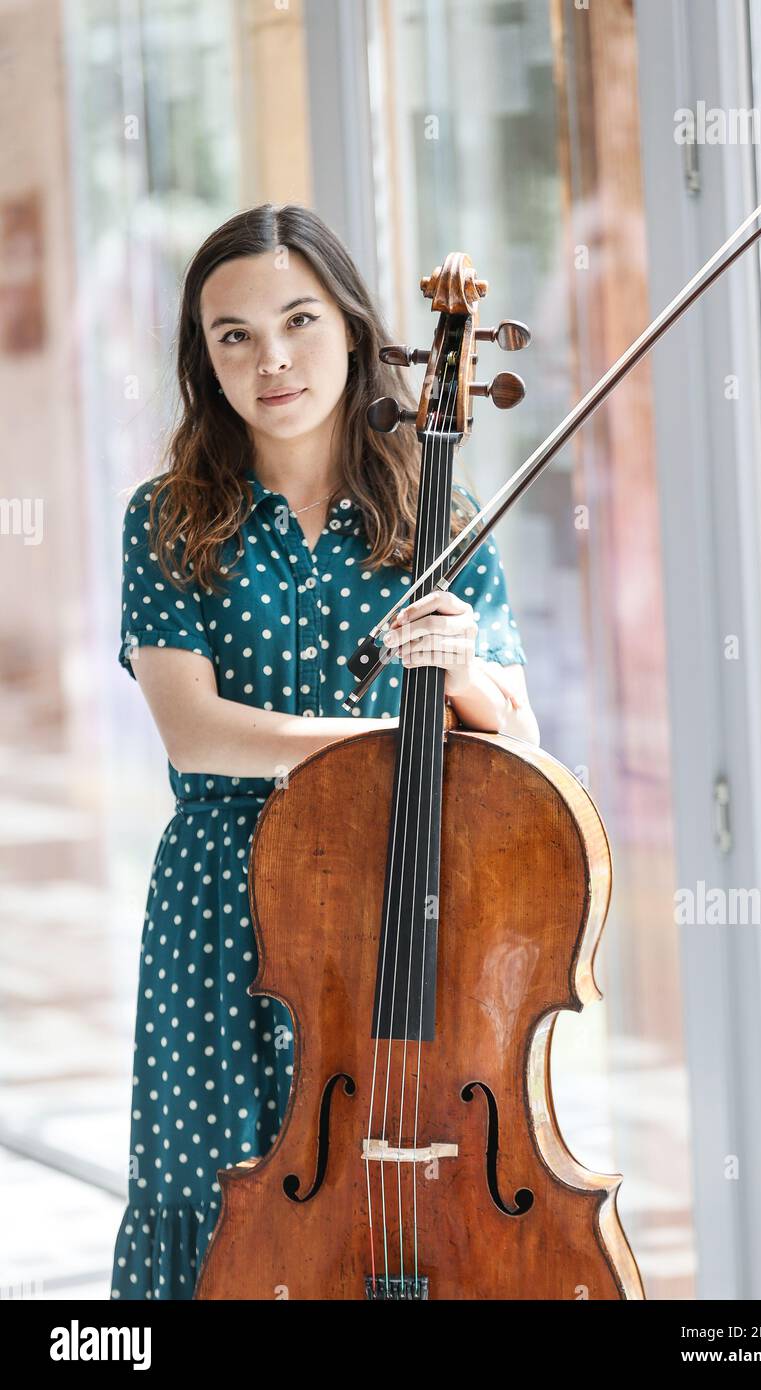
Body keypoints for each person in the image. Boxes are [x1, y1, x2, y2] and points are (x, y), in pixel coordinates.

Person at [109, 203, 539, 1299]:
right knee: (220, 1199)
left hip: (394, 910)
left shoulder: (438, 517)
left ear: (351, 328)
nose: (274, 360)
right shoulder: (165, 518)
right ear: (202, 361)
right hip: (228, 902)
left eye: (299, 320)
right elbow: (193, 729)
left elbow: (520, 745)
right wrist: (392, 735)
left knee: (403, 1202)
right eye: (233, 335)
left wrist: (467, 674)